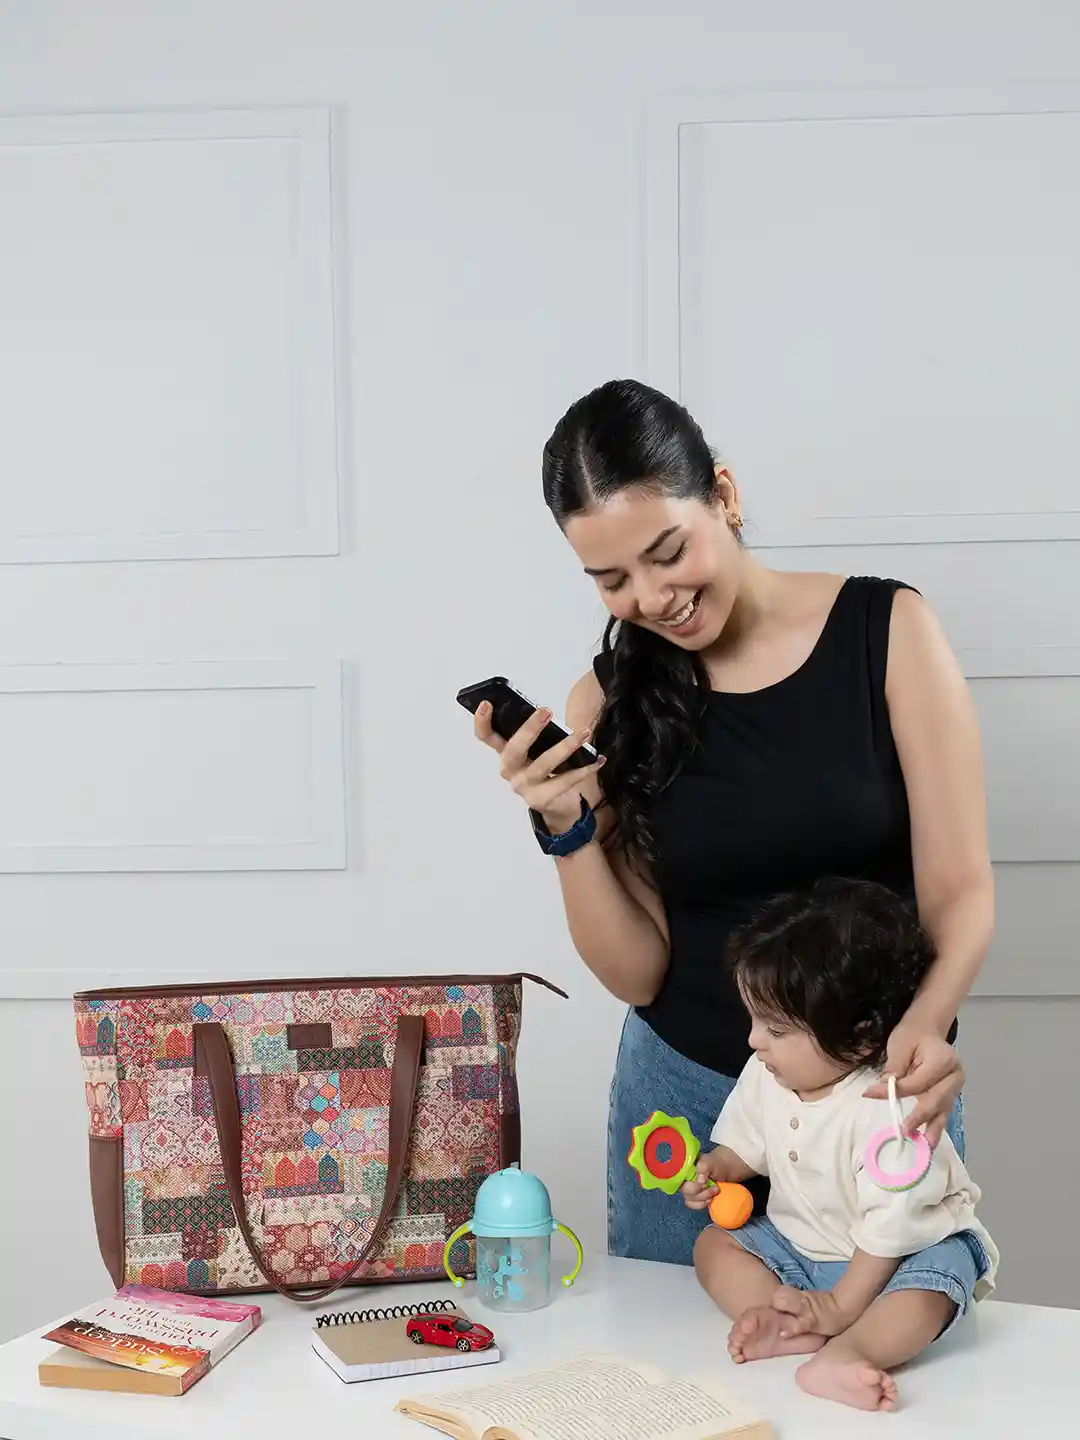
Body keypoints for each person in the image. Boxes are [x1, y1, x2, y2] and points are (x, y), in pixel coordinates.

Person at [473, 377, 993, 1264]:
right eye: (612, 580)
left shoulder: (886, 631)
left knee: (885, 1344)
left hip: (875, 1100)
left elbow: (961, 891)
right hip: (687, 1108)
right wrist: (567, 829)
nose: (652, 598)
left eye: (668, 552)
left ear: (724, 494)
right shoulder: (611, 700)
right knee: (675, 1356)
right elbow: (640, 974)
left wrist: (923, 1029)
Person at [682, 878, 998, 1413]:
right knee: (714, 1247)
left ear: (860, 1036)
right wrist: (718, 1169)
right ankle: (786, 1323)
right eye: (754, 1021)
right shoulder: (768, 1074)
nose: (754, 1041)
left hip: (894, 1261)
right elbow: (747, 1146)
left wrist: (841, 1305)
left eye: (775, 1030)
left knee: (941, 1277)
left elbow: (892, 1228)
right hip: (800, 1250)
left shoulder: (890, 1108)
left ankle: (852, 1350)